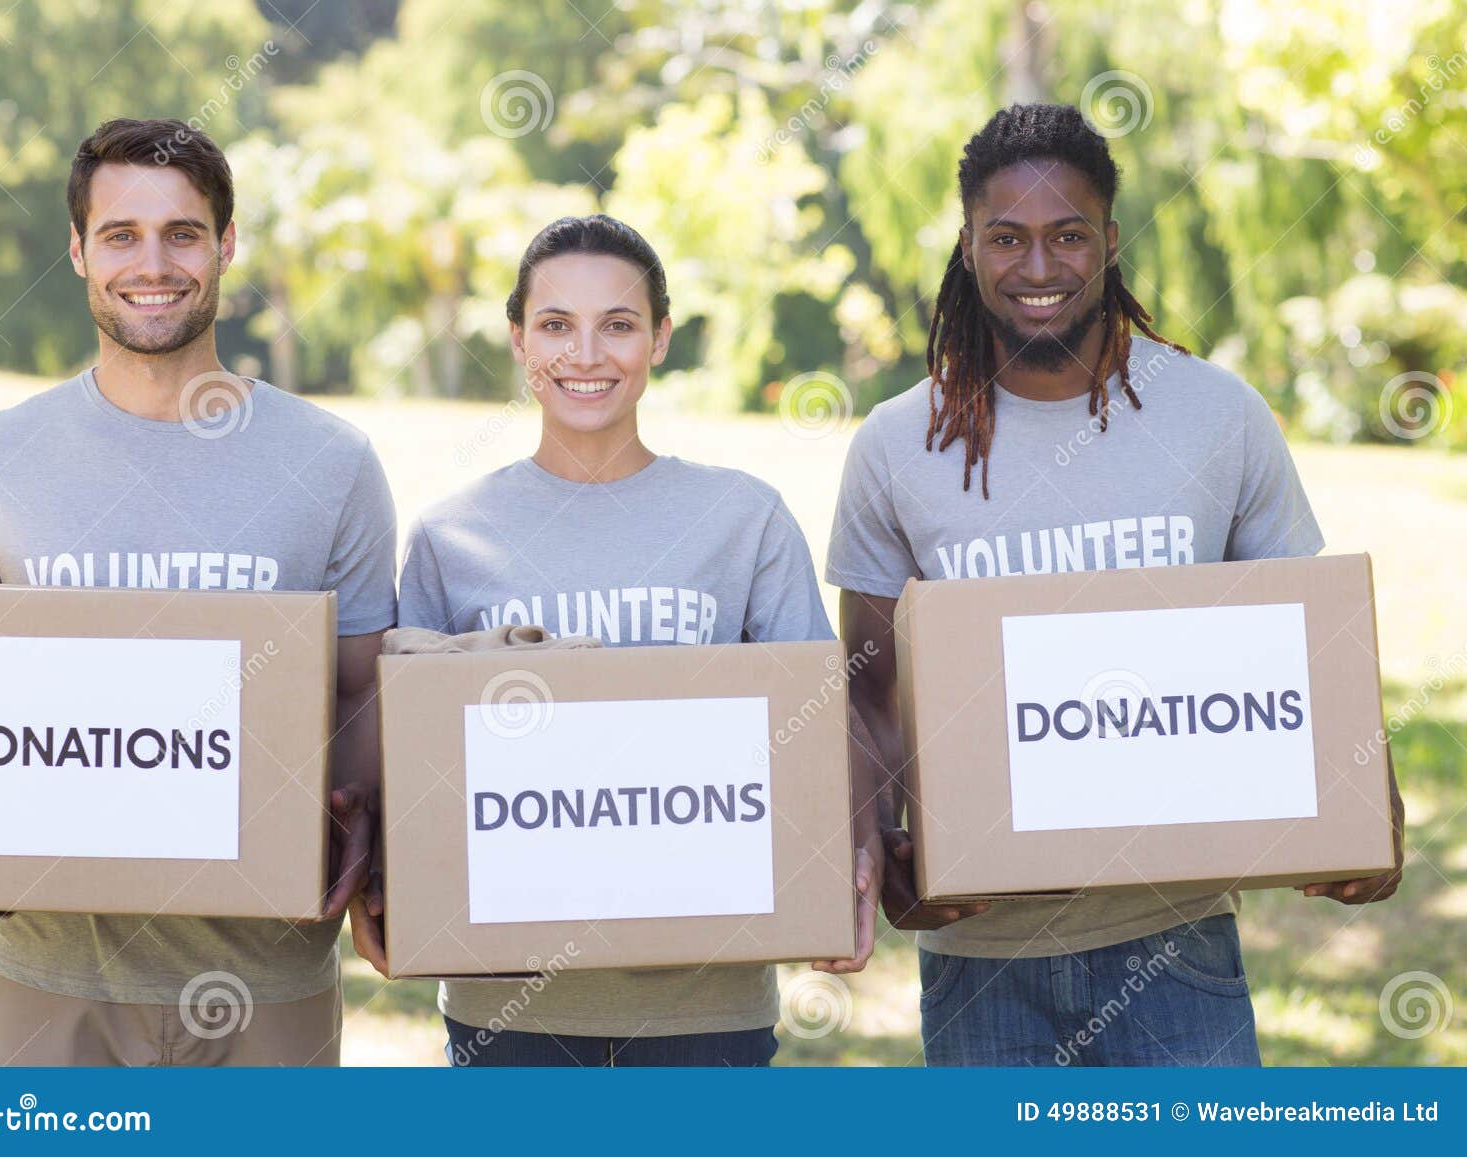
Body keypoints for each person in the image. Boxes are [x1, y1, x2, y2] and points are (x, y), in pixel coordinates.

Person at [827, 103, 1404, 1067]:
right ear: (968, 245)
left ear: (1111, 240)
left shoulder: (1217, 415)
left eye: (1069, 235)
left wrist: (1369, 805)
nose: (1040, 268)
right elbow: (869, 692)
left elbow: (1317, 644)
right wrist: (886, 851)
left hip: (1176, 940)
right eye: (1007, 237)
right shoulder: (897, 444)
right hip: (981, 953)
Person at [0, 117, 398, 1066]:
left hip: (270, 977)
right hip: (48, 979)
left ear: (225, 245)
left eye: (182, 232)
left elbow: (364, 689)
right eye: (121, 234)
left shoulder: (331, 463)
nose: (154, 262)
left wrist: (369, 819)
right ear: (79, 249)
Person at [348, 213, 883, 1066]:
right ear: (519, 340)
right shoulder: (453, 537)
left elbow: (819, 723)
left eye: (619, 325)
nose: (586, 354)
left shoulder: (741, 518)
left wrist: (849, 856)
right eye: (557, 325)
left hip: (706, 1007)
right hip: (506, 1007)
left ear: (661, 338)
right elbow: (412, 763)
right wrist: (384, 870)